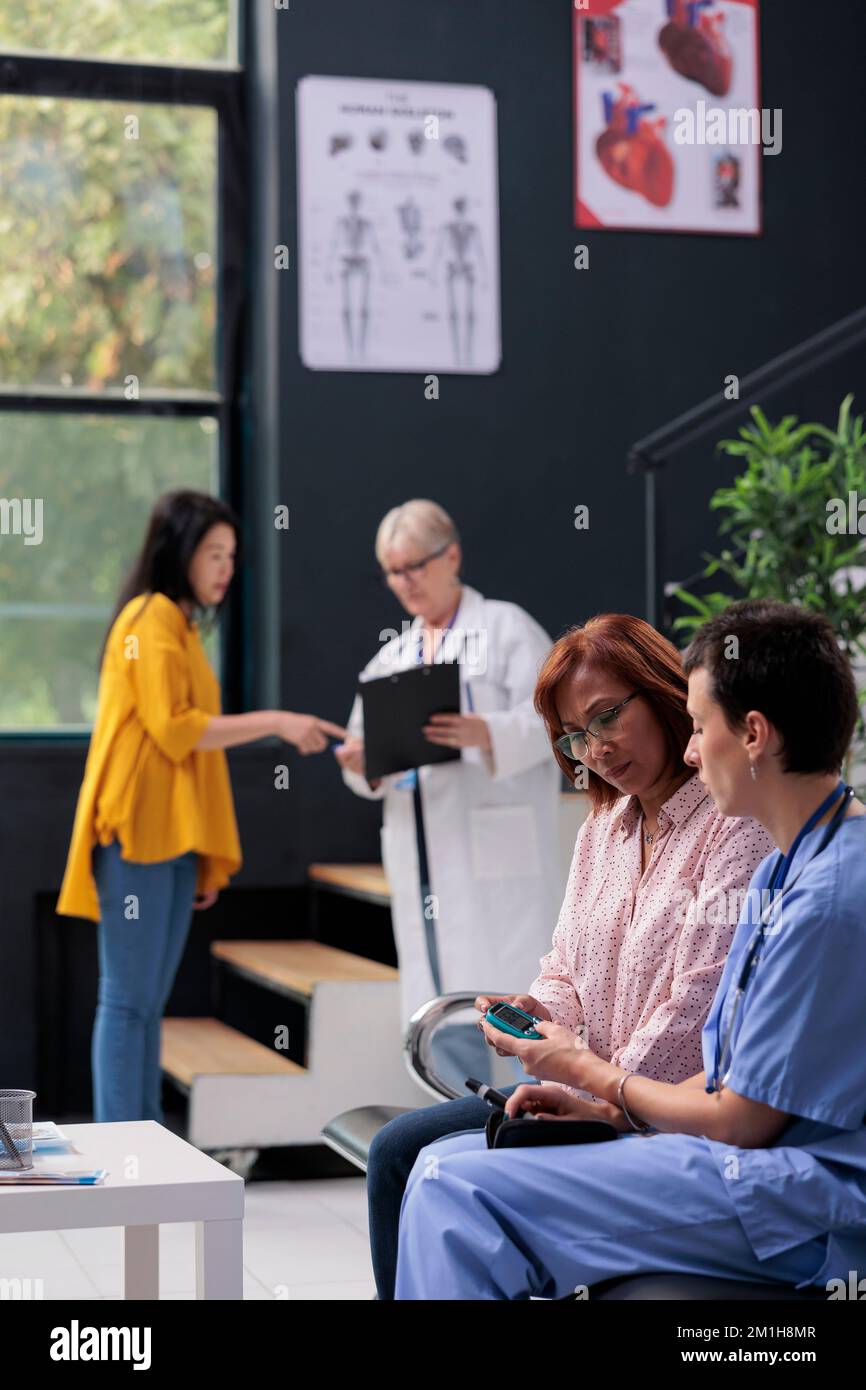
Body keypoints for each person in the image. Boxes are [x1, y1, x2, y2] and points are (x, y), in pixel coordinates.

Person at [393, 600, 866, 1300]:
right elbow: (724, 1075)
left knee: (453, 1189)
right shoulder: (788, 867)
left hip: (797, 1196)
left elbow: (740, 1116)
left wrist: (596, 1080)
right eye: (576, 737)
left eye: (701, 726)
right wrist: (606, 1104)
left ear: (756, 734)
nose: (691, 749)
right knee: (435, 1167)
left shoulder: (824, 892)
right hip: (733, 1149)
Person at [56, 491, 346, 1123]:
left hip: (171, 838)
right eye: (213, 553)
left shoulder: (177, 625)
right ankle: (126, 1141)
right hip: (137, 833)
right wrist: (278, 721)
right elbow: (177, 729)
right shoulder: (150, 617)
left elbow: (183, 741)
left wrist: (200, 854)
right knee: (128, 1002)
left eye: (232, 556)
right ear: (178, 551)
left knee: (143, 1003)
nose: (225, 568)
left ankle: (145, 1140)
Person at [335, 499, 562, 1085]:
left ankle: (536, 1125)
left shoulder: (508, 628)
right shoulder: (391, 658)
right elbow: (361, 764)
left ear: (451, 555)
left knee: (513, 1002)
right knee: (444, 1005)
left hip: (495, 852)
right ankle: (459, 1127)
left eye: (414, 566)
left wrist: (486, 732)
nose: (404, 582)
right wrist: (365, 765)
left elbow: (555, 723)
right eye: (393, 571)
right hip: (425, 859)